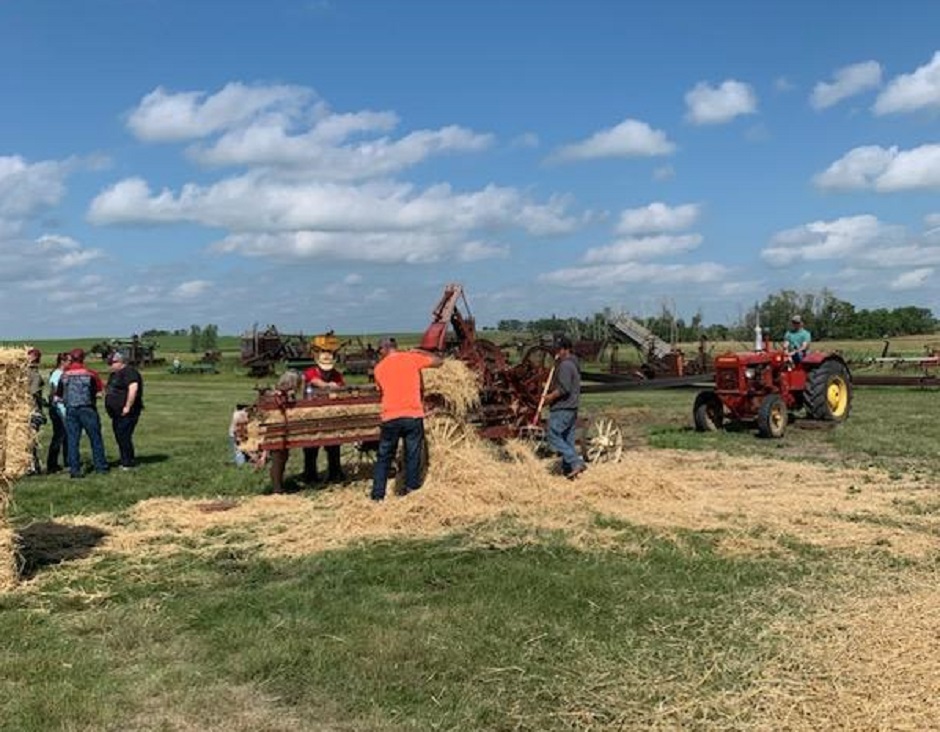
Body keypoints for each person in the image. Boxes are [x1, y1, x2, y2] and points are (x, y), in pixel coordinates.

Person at [370, 338, 442, 502]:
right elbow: (439, 362)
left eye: (379, 350)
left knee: (384, 457)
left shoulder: (379, 368)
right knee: (413, 455)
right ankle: (412, 490)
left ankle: (377, 495)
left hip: (390, 417)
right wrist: (420, 352)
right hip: (412, 415)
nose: (378, 353)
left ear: (385, 349)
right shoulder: (411, 358)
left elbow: (381, 391)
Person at [57, 348, 109, 478]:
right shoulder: (90, 373)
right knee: (95, 438)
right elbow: (99, 391)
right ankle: (100, 467)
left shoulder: (64, 375)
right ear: (82, 358)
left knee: (73, 440)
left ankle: (74, 469)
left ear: (71, 358)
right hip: (88, 408)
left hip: (71, 409)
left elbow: (59, 394)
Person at [544, 335, 587, 480]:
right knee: (567, 439)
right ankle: (569, 470)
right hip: (571, 407)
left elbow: (564, 389)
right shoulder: (573, 364)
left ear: (566, 350)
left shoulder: (565, 365)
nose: (556, 353)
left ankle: (576, 462)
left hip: (563, 407)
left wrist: (549, 398)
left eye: (559, 349)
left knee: (552, 434)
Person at [301, 350, 346, 483]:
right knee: (310, 448)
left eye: (328, 369)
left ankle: (334, 474)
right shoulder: (310, 373)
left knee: (333, 446)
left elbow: (342, 388)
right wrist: (328, 386)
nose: (326, 372)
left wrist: (337, 388)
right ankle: (310, 476)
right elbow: (314, 380)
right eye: (324, 370)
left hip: (330, 415)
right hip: (311, 415)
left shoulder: (336, 375)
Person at [104, 351, 144, 470]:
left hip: (127, 411)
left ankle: (128, 462)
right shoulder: (115, 374)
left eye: (112, 362)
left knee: (124, 435)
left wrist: (127, 406)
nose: (110, 365)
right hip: (116, 412)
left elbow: (133, 389)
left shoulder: (129, 372)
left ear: (120, 362)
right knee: (120, 436)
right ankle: (125, 459)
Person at [268, 369, 302, 493]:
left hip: (280, 427)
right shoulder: (280, 394)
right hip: (277, 428)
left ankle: (279, 485)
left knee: (283, 456)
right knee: (278, 457)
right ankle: (277, 488)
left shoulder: (282, 393)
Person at [46, 352, 71, 473]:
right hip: (59, 409)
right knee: (59, 436)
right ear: (63, 362)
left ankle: (68, 461)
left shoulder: (60, 373)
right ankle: (52, 464)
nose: (70, 363)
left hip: (61, 408)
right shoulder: (58, 374)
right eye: (69, 361)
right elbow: (54, 392)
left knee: (66, 436)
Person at [26, 348, 45, 474]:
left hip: (20, 410)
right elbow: (34, 392)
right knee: (31, 440)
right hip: (31, 410)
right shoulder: (35, 375)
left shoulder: (20, 374)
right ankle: (32, 467)